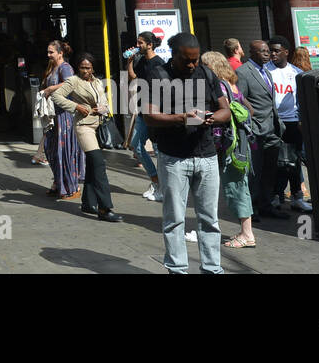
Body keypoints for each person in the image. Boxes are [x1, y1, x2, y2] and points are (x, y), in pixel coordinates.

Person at [144, 32, 231, 274]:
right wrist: (181, 118)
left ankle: (213, 269)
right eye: (187, 60)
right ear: (174, 55)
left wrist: (211, 119)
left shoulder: (206, 73)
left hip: (207, 157)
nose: (192, 65)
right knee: (174, 219)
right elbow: (149, 115)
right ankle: (177, 269)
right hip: (174, 158)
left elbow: (226, 110)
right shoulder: (157, 74)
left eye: (195, 60)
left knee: (209, 220)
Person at [53, 54, 122, 222]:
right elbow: (56, 96)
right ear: (78, 68)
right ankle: (105, 208)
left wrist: (102, 108)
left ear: (93, 68)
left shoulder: (98, 82)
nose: (85, 71)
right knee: (99, 163)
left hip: (98, 124)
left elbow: (105, 102)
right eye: (82, 68)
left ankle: (87, 202)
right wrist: (76, 106)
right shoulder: (73, 81)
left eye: (88, 68)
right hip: (83, 127)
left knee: (92, 165)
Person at [201, 51, 255, 249]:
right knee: (239, 184)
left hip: (228, 145)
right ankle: (244, 231)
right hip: (240, 143)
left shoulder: (220, 86)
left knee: (236, 186)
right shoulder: (233, 84)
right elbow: (251, 110)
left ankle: (247, 234)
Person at [234, 39, 284, 221]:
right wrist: (251, 121)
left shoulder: (267, 72)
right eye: (263, 51)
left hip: (272, 128)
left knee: (270, 170)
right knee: (254, 171)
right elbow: (239, 99)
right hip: (255, 130)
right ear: (252, 52)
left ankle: (266, 204)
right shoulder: (243, 72)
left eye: (268, 51)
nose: (267, 54)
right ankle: (251, 208)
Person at [268, 37, 311, 213]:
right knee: (276, 162)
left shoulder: (296, 72)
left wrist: (301, 119)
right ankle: (276, 196)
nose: (272, 54)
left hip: (292, 122)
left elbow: (301, 99)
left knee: (292, 162)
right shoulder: (265, 71)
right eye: (270, 50)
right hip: (273, 122)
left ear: (286, 52)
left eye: (276, 50)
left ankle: (297, 197)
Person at [126, 32, 166, 201]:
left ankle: (164, 188)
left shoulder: (159, 64)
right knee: (136, 145)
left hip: (155, 112)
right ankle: (156, 181)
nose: (138, 45)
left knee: (159, 150)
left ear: (150, 45)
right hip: (143, 111)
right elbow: (134, 78)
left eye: (140, 42)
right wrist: (129, 62)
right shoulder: (142, 61)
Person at [39, 40, 82, 198]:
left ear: (60, 53)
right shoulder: (53, 67)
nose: (49, 55)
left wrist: (51, 88)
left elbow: (71, 84)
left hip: (64, 115)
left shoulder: (65, 67)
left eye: (51, 52)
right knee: (51, 150)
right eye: (48, 52)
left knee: (64, 151)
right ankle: (59, 182)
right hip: (53, 115)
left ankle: (71, 186)